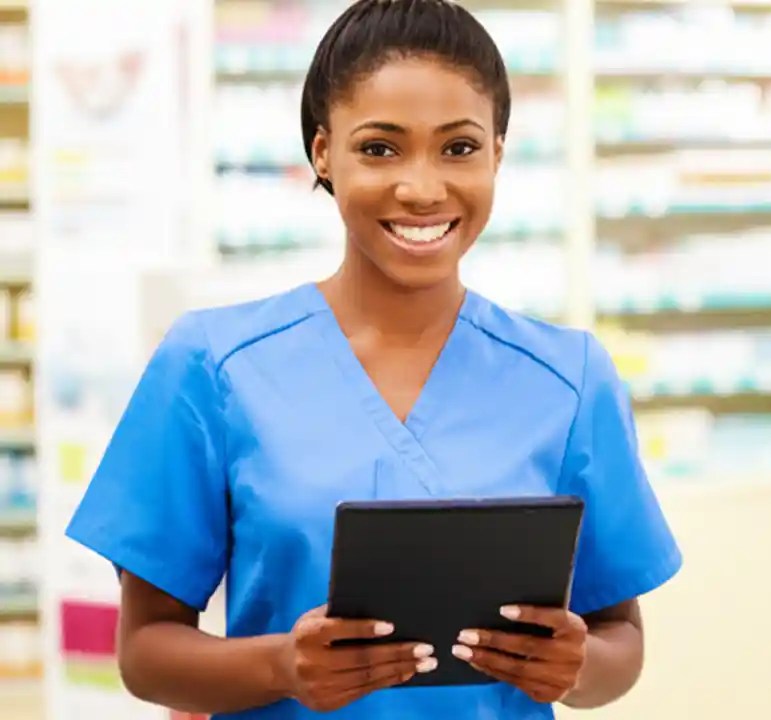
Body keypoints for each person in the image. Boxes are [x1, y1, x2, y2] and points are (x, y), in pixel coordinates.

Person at [63, 0, 682, 717]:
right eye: (381, 148)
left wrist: (571, 667)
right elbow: (145, 654)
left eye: (459, 148)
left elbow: (619, 643)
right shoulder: (214, 366)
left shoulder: (570, 378)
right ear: (324, 153)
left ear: (498, 155)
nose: (421, 188)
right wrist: (282, 666)